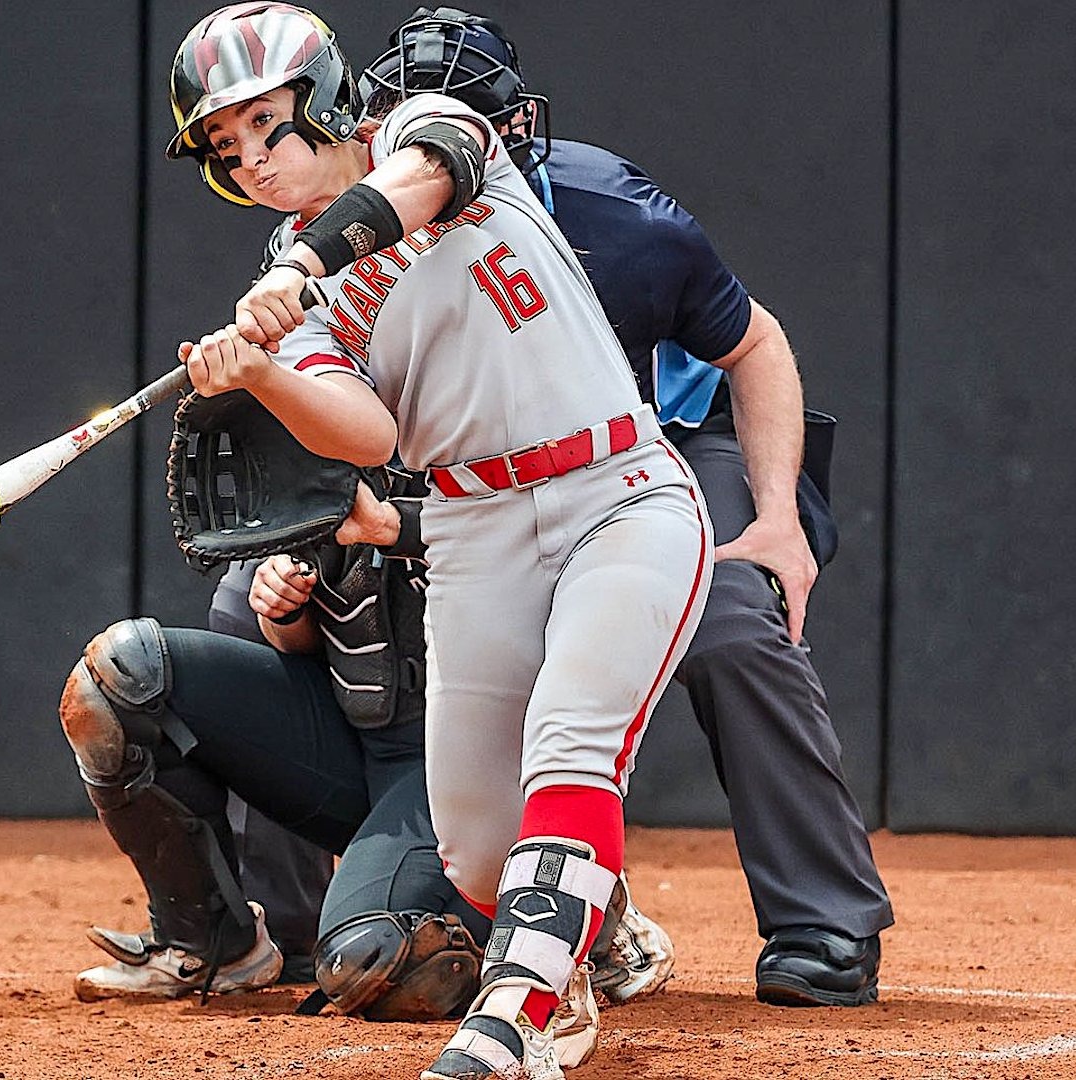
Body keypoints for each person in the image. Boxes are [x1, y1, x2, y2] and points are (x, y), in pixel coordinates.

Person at [167, 5, 713, 1077]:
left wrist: (301, 266)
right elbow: (367, 434)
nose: (254, 158)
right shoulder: (296, 284)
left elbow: (423, 180)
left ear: (325, 97)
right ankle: (582, 946)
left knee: (571, 739)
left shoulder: (421, 126)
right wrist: (264, 374)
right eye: (227, 146)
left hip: (616, 489)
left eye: (266, 123)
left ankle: (514, 1023)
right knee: (474, 845)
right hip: (473, 528)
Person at [354, 6, 894, 1008]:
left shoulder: (617, 217)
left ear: (510, 130)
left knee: (732, 620)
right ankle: (285, 921)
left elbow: (754, 343)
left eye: (455, 128)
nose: (430, 156)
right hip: (486, 484)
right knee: (273, 599)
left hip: (657, 445)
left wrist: (776, 517)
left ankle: (824, 921)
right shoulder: (361, 245)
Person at [57, 462, 675, 1016]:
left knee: (368, 959)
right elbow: (308, 643)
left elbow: (535, 541)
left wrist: (394, 527)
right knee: (121, 676)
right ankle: (209, 942)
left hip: (468, 764)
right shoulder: (326, 434)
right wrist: (286, 609)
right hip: (359, 738)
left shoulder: (493, 423)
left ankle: (571, 904)